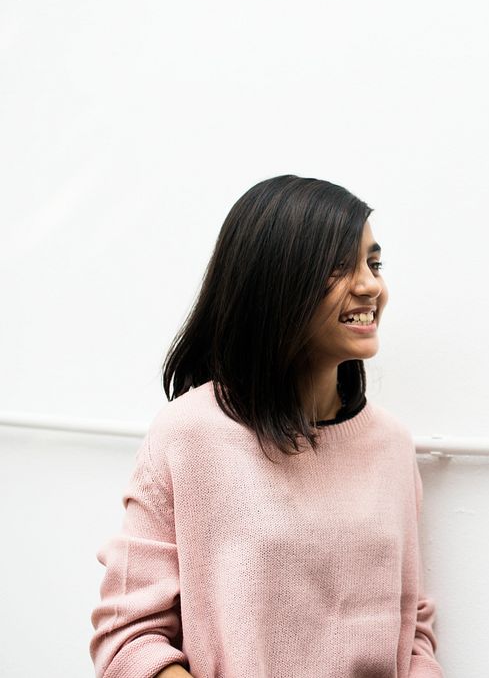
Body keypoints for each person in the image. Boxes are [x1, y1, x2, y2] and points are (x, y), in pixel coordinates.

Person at [91, 175, 443, 678]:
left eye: (373, 263)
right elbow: (128, 638)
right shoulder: (188, 434)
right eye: (337, 267)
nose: (370, 285)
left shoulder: (390, 445)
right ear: (273, 281)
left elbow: (413, 631)